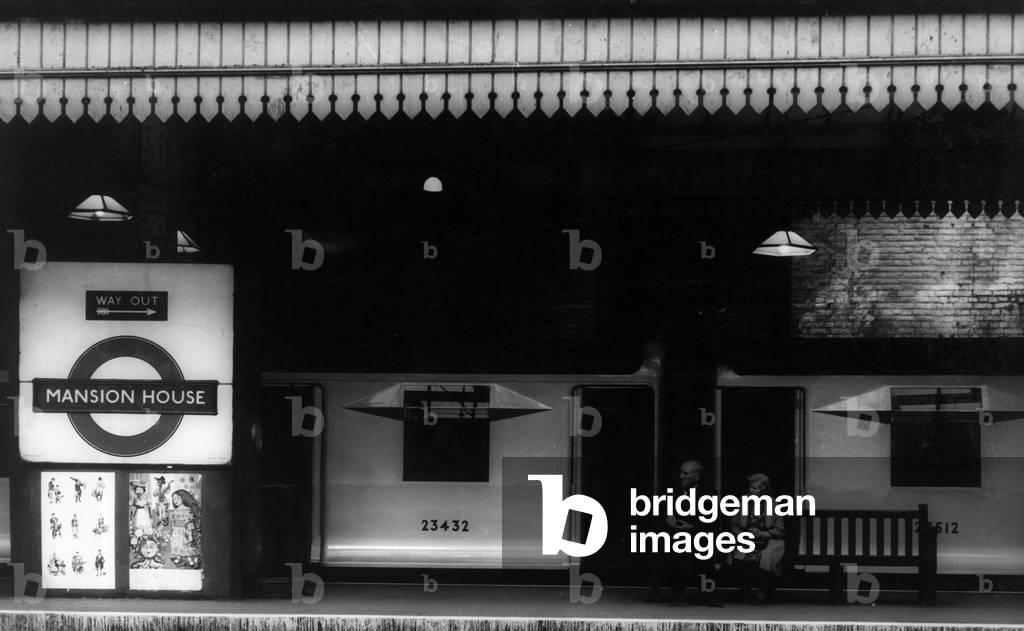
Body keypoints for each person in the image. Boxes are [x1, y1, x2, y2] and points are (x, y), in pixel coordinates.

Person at [649, 459, 722, 606]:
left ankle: (708, 594)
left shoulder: (708, 493)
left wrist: (692, 527)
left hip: (697, 534)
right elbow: (659, 511)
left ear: (696, 476)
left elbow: (713, 521)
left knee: (703, 548)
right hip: (673, 534)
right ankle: (672, 585)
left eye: (685, 473)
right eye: (680, 472)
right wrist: (667, 517)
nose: (680, 476)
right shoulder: (672, 490)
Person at [726, 473, 785, 604]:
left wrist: (762, 534)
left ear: (764, 490)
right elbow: (734, 525)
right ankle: (745, 590)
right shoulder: (742, 502)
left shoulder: (773, 504)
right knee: (741, 553)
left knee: (766, 555)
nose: (750, 491)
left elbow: (780, 530)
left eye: (755, 488)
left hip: (770, 539)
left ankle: (761, 591)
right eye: (750, 487)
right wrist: (742, 535)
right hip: (746, 538)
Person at [168, 489, 201, 567]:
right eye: (174, 499)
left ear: (183, 498)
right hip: (176, 531)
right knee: (177, 544)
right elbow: (173, 522)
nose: (175, 501)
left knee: (186, 545)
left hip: (184, 530)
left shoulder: (187, 510)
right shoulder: (174, 511)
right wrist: (172, 531)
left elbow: (190, 523)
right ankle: (179, 557)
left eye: (178, 498)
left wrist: (190, 534)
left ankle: (189, 559)